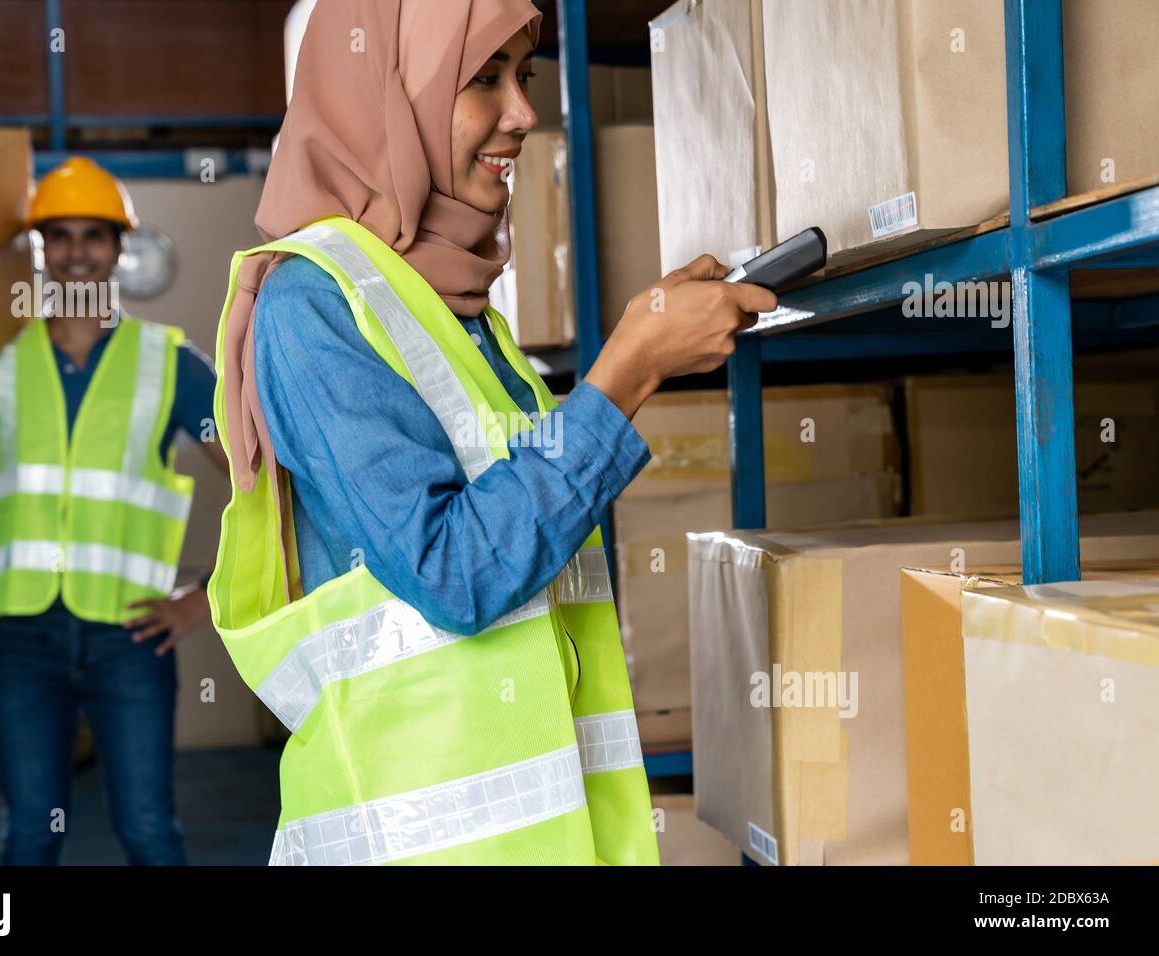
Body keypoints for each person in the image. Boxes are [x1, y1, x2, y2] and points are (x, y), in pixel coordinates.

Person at [207, 0, 777, 866]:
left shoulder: (458, 311)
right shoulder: (312, 306)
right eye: (484, 80)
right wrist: (629, 369)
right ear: (389, 93)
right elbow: (455, 571)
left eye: (526, 76)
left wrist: (636, 348)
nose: (523, 114)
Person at [0, 157, 228, 865]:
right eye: (59, 235)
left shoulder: (172, 366)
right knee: (30, 834)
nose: (77, 252)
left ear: (122, 248)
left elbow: (265, 490)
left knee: (149, 830)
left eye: (96, 234)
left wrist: (200, 601)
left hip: (131, 638)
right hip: (24, 641)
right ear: (38, 249)